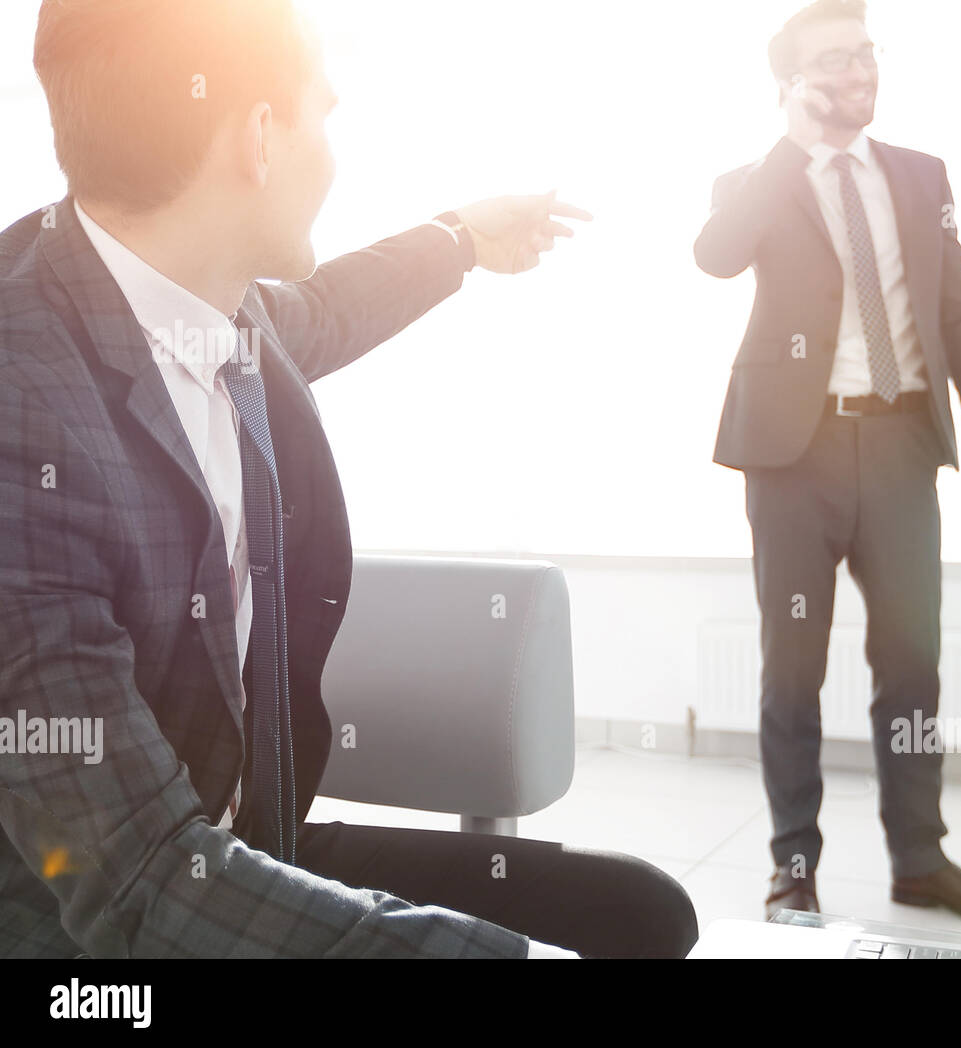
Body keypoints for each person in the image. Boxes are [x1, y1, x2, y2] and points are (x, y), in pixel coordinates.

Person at [0, 0, 697, 959]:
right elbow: (136, 889)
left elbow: (326, 310)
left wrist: (461, 237)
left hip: (242, 839)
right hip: (97, 926)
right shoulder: (20, 397)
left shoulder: (212, 309)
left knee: (640, 916)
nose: (334, 149)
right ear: (258, 136)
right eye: (324, 114)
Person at [694, 0, 961, 929]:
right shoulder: (755, 180)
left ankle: (920, 860)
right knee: (791, 668)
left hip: (899, 448)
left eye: (866, 50)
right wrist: (788, 147)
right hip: (792, 454)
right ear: (793, 84)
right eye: (835, 59)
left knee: (911, 664)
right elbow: (714, 256)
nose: (860, 70)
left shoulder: (924, 177)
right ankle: (791, 867)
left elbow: (959, 307)